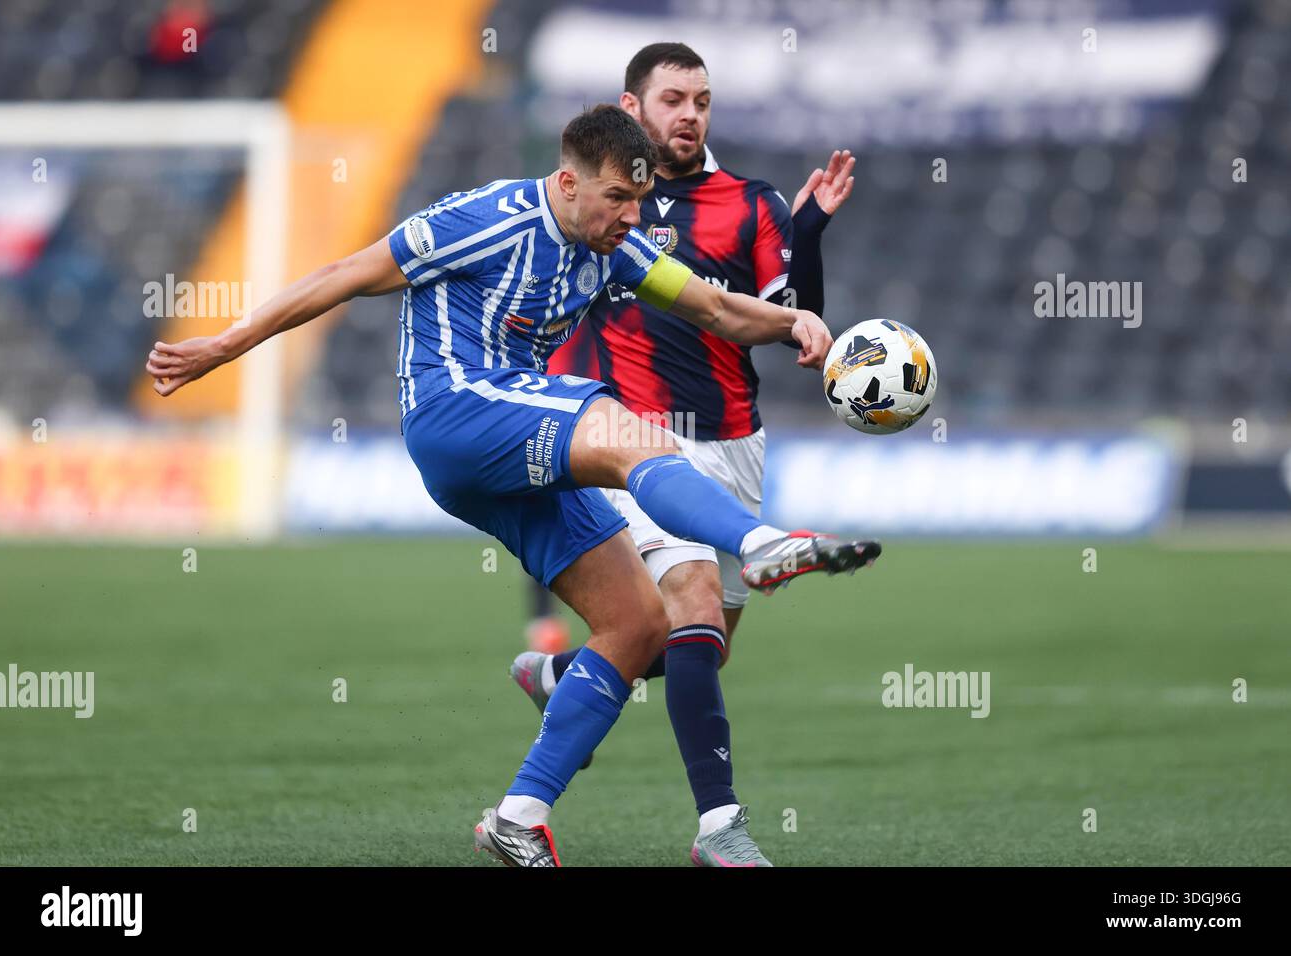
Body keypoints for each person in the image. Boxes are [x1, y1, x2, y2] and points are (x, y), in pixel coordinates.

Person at [145, 104, 879, 867]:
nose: (631, 218)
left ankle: (518, 816)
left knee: (636, 626)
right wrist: (224, 345)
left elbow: (717, 308)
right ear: (568, 183)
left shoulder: (618, 246)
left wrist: (794, 325)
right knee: (632, 434)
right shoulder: (485, 217)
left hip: (504, 452)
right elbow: (343, 274)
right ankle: (761, 546)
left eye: (637, 200)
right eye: (616, 201)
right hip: (455, 407)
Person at [511, 43, 857, 866]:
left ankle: (566, 682)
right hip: (634, 444)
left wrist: (807, 231)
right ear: (631, 109)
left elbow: (795, 322)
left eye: (701, 99)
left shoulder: (753, 203)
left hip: (735, 442)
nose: (689, 114)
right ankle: (719, 829)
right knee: (696, 600)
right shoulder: (604, 206)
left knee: (695, 645)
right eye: (672, 99)